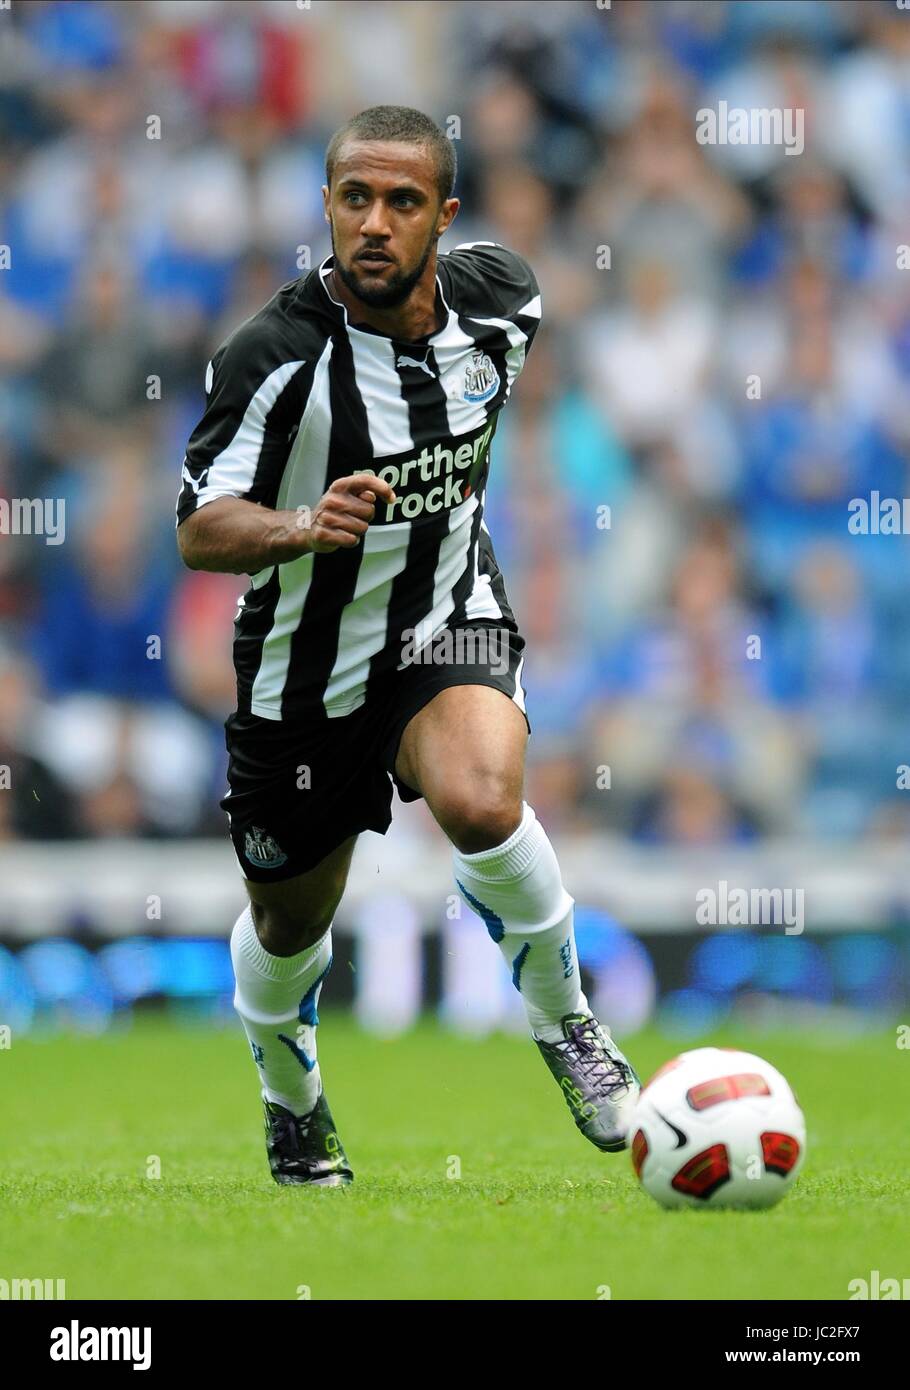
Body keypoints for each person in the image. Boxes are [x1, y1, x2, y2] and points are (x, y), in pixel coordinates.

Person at [176, 105, 639, 1186]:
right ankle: (292, 1100)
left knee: (482, 800)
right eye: (353, 198)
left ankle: (569, 1025)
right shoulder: (273, 355)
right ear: (327, 206)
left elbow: (479, 429)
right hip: (305, 666)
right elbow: (200, 526)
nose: (374, 223)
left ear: (445, 216)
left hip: (444, 616)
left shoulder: (506, 302)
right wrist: (299, 525)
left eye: (401, 201)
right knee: (290, 926)